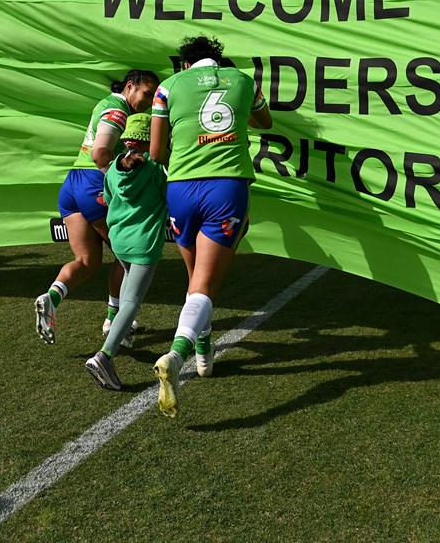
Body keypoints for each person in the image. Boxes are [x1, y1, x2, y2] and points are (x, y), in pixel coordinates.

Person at [149, 36, 272, 418]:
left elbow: (156, 152)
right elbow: (264, 122)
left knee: (194, 281)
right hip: (226, 186)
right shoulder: (241, 80)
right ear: (217, 60)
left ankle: (204, 353)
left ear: (185, 64)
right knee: (204, 285)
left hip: (181, 188)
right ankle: (178, 353)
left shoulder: (168, 87)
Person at [35, 68, 159, 345]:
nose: (150, 101)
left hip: (72, 185)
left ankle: (52, 296)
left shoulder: (111, 105)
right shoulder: (117, 109)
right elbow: (100, 152)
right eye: (147, 93)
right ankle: (115, 322)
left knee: (87, 262)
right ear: (130, 87)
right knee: (128, 257)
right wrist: (117, 176)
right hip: (94, 183)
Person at [84, 113, 168, 391]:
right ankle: (105, 356)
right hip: (144, 243)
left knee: (127, 295)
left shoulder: (113, 169)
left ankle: (119, 338)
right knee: (131, 301)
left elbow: (107, 200)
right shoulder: (157, 169)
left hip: (119, 240)